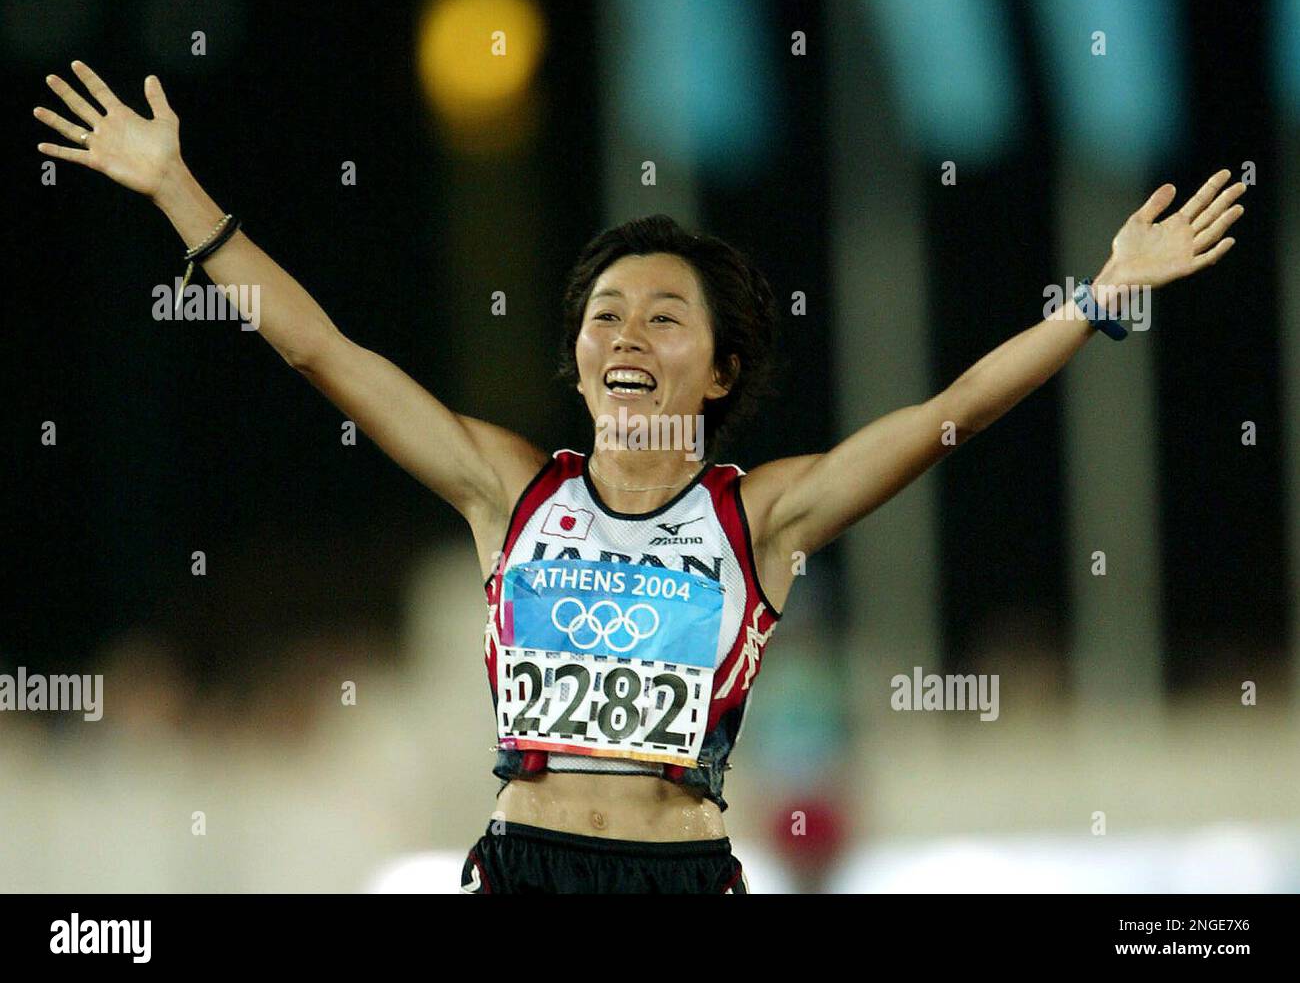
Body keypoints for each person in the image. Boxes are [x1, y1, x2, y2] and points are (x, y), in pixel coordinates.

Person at [35, 61, 1247, 894]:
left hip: (680, 870)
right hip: (523, 866)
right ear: (573, 353)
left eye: (664, 316)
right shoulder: (506, 487)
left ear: (718, 369)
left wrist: (1098, 299)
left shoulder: (761, 515)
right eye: (604, 312)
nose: (625, 332)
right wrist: (174, 190)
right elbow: (319, 348)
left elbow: (947, 415)